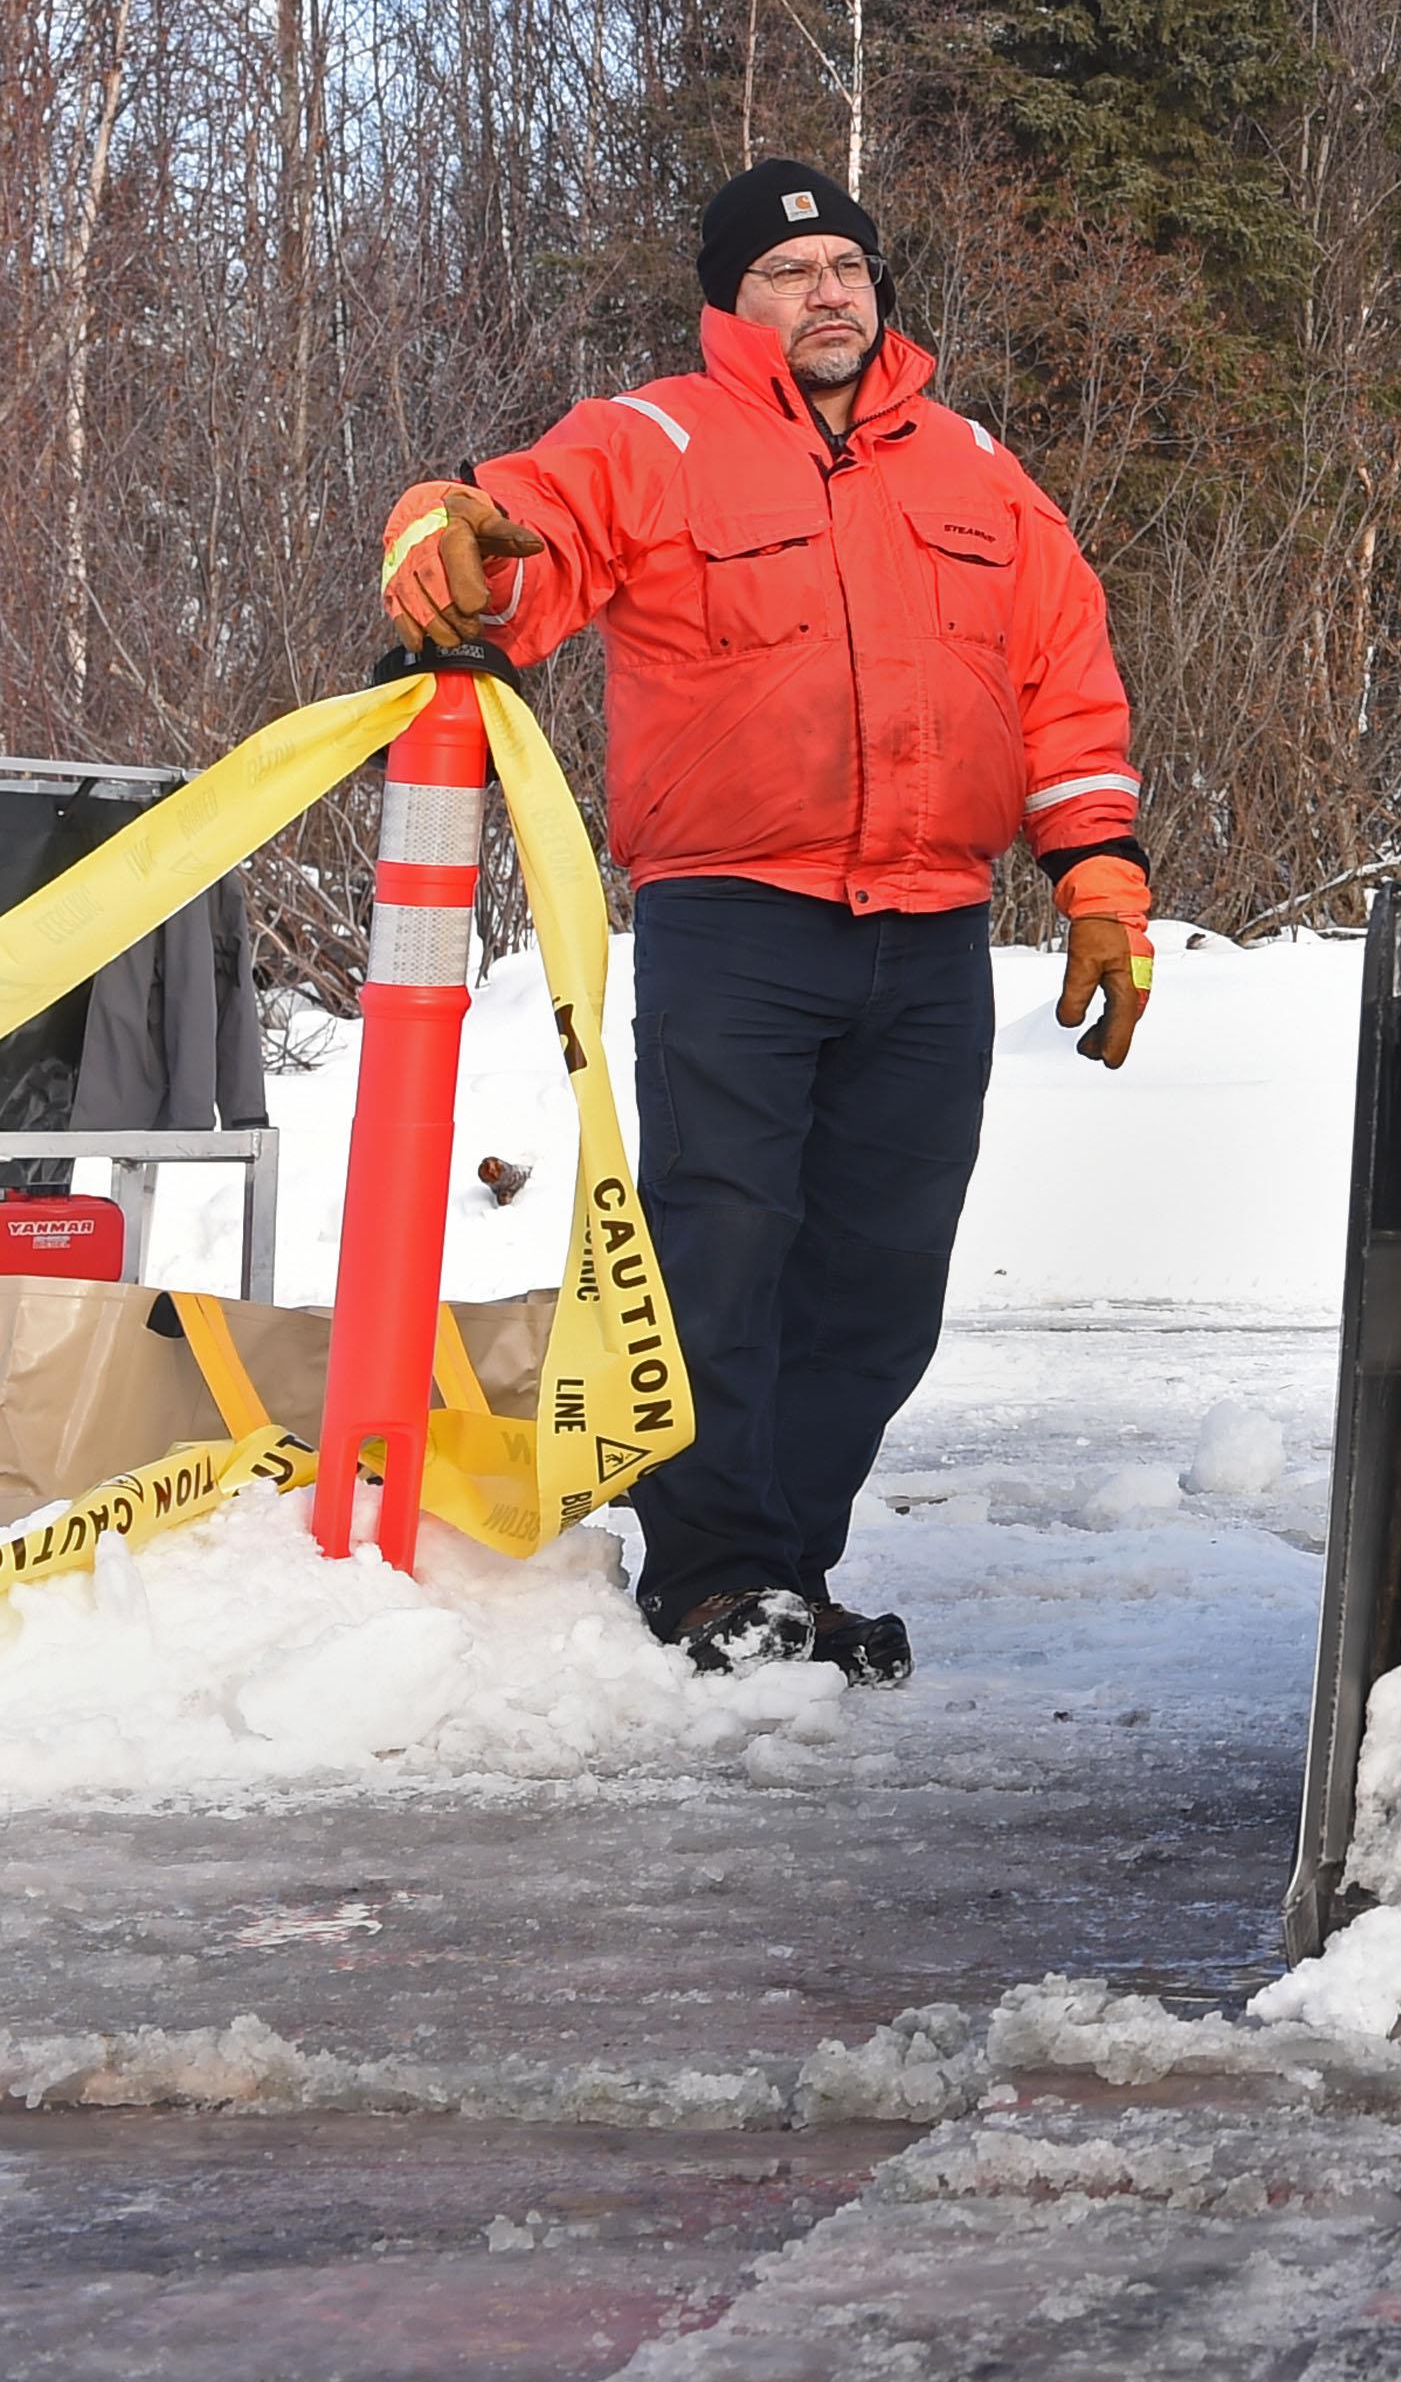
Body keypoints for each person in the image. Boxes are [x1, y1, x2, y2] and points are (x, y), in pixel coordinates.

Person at [376, 159, 1154, 1685]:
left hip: (930, 933)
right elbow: (521, 529)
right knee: (722, 1255)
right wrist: (440, 529)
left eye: (851, 268)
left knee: (880, 1279)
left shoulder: (978, 470)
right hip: (738, 919)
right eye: (794, 276)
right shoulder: (654, 440)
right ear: (732, 303)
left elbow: (1065, 682)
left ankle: (785, 1570)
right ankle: (714, 1576)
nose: (832, 295)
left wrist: (1102, 880)